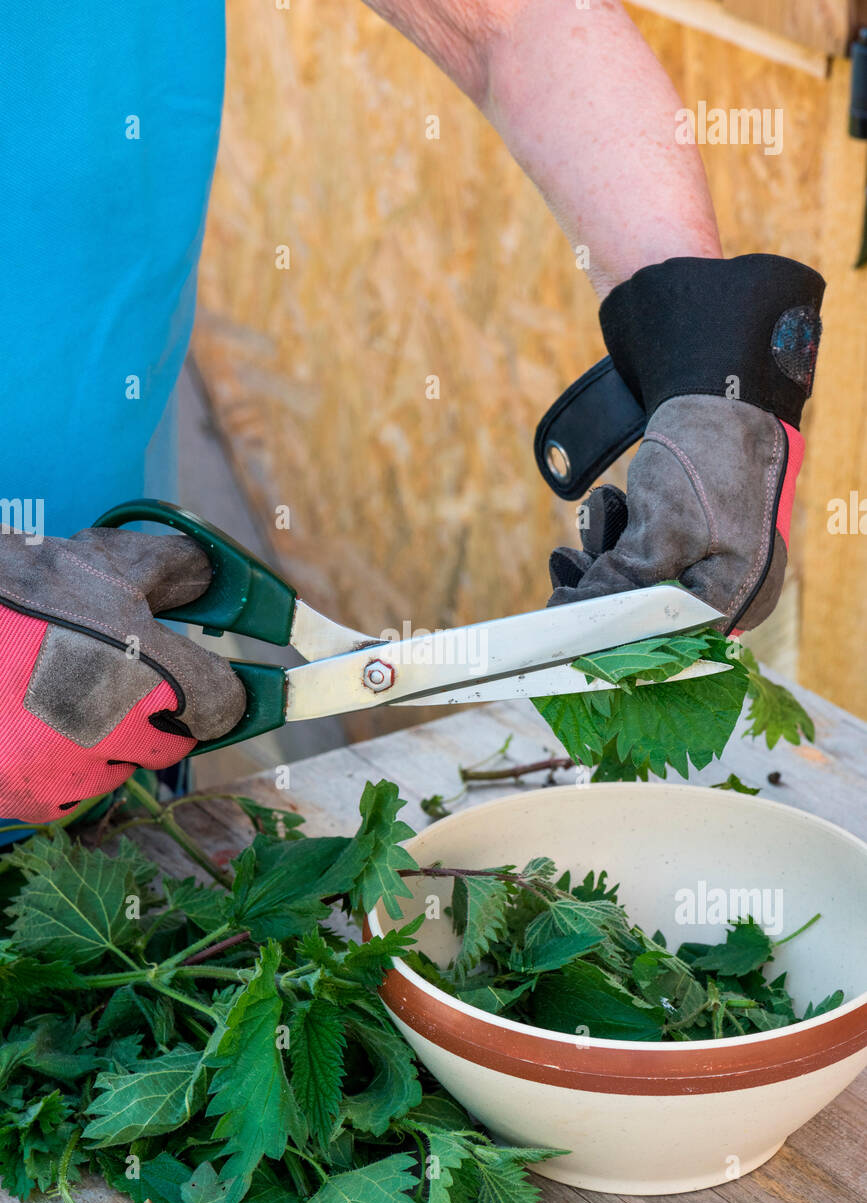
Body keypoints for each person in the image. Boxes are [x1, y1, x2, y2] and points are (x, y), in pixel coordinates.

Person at [0, 0, 823, 826]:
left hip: (112, 682)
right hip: (44, 685)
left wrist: (705, 347)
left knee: (124, 909)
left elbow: (507, 26)